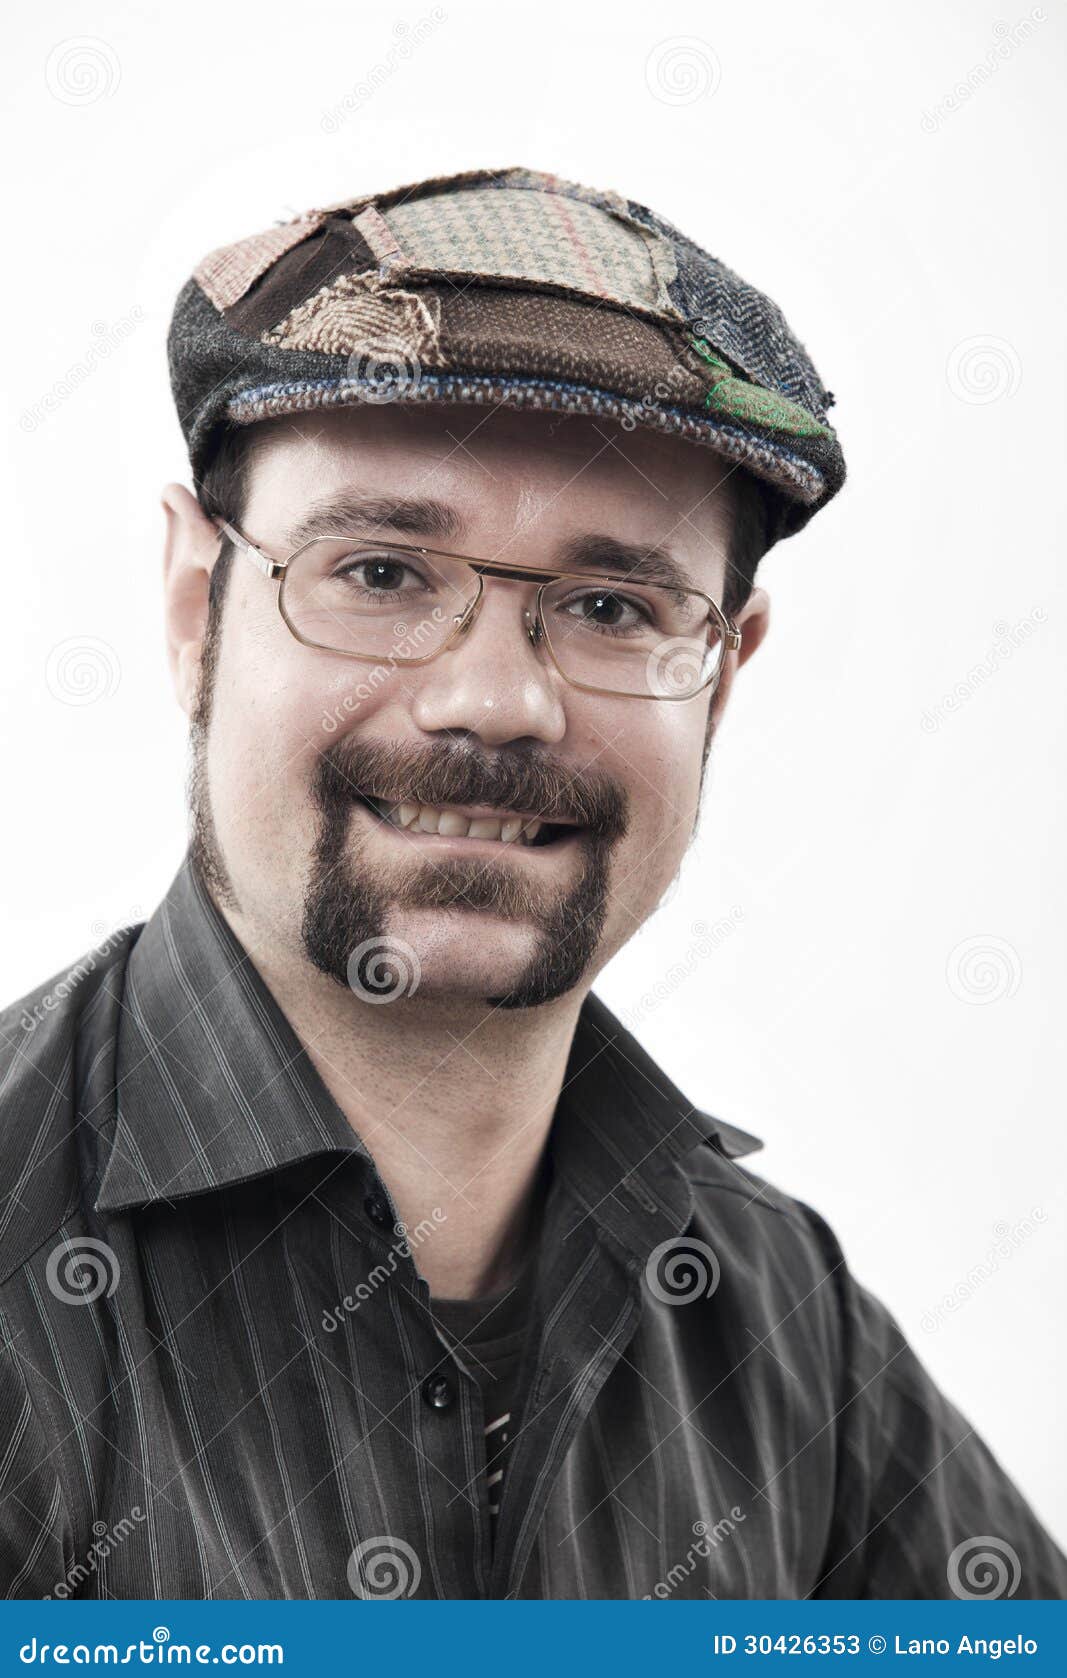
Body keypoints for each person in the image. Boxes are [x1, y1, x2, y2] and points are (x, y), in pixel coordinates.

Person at [1, 167, 1062, 1601]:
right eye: (380, 571)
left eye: (613, 607)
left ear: (722, 680)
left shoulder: (779, 1324)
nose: (495, 700)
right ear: (200, 608)